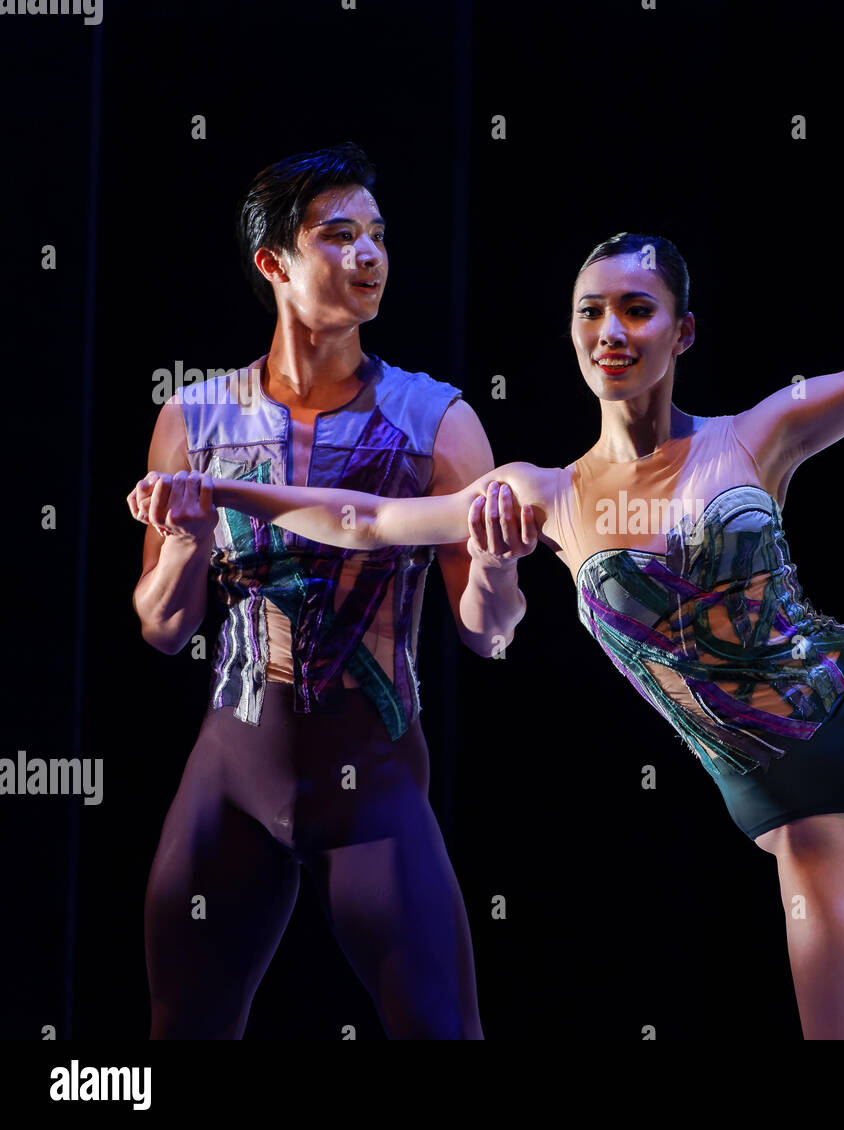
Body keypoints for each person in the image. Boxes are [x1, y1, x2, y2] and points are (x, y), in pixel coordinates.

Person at [129, 73, 844, 1038]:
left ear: (678, 333)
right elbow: (360, 520)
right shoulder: (535, 495)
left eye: (635, 309)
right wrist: (213, 489)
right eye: (589, 311)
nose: (609, 329)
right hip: (801, 798)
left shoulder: (755, 433)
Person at [130, 142, 537, 1038]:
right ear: (273, 262)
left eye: (379, 236)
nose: (369, 256)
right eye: (340, 235)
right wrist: (186, 547)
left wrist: (498, 567)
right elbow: (163, 627)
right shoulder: (194, 419)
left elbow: (488, 633)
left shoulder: (438, 420)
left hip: (377, 786)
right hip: (230, 780)